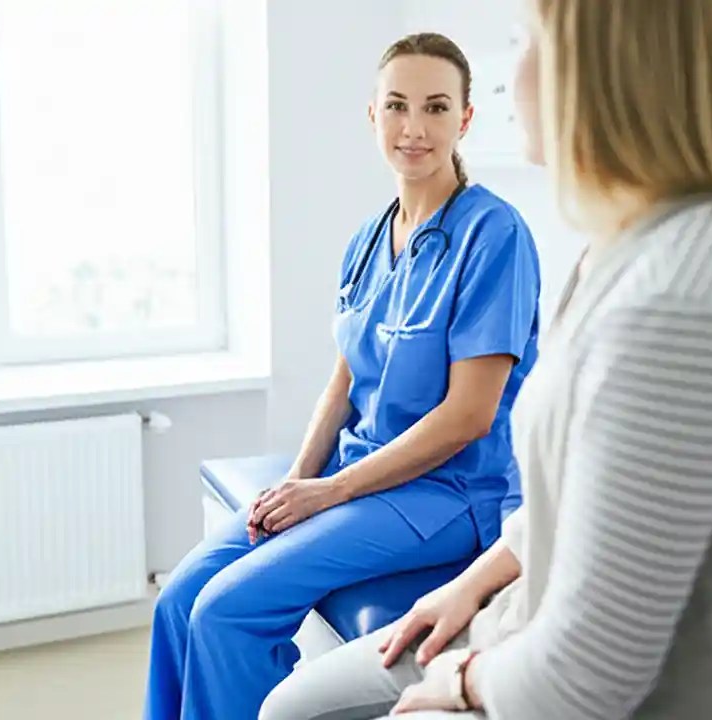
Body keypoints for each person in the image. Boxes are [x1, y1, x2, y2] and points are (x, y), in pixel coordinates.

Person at [260, 1, 712, 718]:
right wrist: (472, 585)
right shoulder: (622, 248)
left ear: (601, 70)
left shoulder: (689, 299)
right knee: (288, 707)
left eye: (527, 41)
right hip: (521, 618)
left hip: (645, 688)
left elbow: (591, 676)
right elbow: (567, 496)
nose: (516, 71)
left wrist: (463, 680)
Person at [143, 33, 542, 720]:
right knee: (180, 598)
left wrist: (327, 492)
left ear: (465, 120)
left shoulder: (493, 235)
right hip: (358, 478)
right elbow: (343, 380)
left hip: (445, 496)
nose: (413, 127)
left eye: (436, 107)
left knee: (227, 612)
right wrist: (292, 485)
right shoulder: (368, 240)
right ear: (373, 116)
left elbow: (469, 417)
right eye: (396, 106)